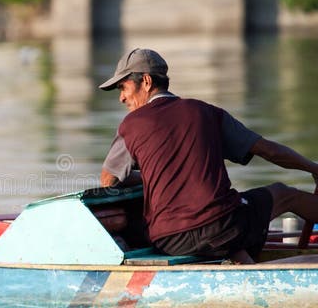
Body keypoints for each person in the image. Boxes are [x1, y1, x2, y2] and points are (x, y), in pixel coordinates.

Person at [99, 47, 318, 264]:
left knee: (228, 239)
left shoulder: (130, 126)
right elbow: (268, 150)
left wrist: (148, 177)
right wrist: (313, 168)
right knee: (284, 194)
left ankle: (241, 262)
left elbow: (108, 181)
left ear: (146, 82)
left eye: (123, 88)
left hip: (169, 239)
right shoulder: (207, 112)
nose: (121, 98)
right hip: (224, 227)